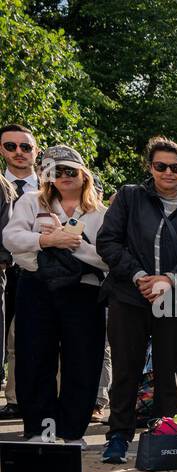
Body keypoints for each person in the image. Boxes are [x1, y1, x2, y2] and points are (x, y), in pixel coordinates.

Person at [96, 137, 177, 463]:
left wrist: (170, 280)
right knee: (126, 370)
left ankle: (165, 438)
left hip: (173, 300)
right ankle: (118, 437)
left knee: (170, 373)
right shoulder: (129, 197)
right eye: (161, 166)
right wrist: (138, 275)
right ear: (150, 167)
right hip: (128, 296)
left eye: (176, 167)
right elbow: (108, 242)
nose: (169, 172)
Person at [2, 145, 109, 442]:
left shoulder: (99, 213)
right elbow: (11, 238)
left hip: (84, 290)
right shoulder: (31, 201)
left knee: (83, 360)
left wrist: (71, 244)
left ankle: (73, 431)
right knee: (34, 356)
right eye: (55, 171)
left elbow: (108, 256)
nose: (63, 176)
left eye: (70, 171)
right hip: (37, 286)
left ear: (83, 175)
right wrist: (46, 240)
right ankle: (39, 429)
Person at [0, 124, 39, 421]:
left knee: (29, 337)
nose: (18, 153)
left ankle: (28, 397)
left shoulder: (53, 185)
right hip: (3, 270)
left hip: (35, 270)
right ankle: (12, 399)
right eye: (11, 146)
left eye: (25, 147)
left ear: (35, 151)